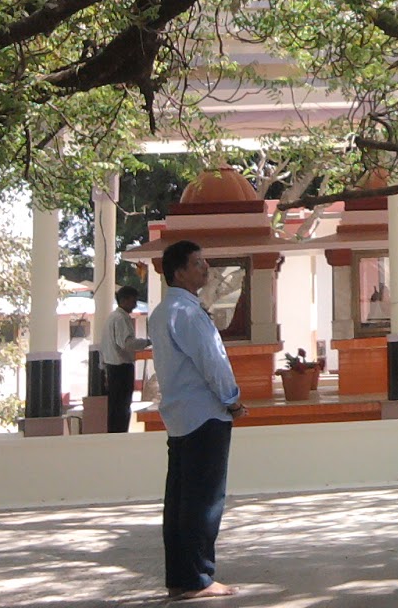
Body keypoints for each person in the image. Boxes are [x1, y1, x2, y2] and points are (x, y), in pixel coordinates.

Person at [148, 240, 248, 600]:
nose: (205, 268)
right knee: (203, 500)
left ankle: (180, 577)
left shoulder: (162, 313)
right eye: (197, 263)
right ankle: (198, 579)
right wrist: (232, 401)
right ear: (178, 272)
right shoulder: (188, 313)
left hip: (179, 417)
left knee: (179, 500)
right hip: (205, 414)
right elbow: (212, 361)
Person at [98, 284, 147, 434]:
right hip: (121, 368)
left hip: (112, 367)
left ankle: (116, 435)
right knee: (122, 406)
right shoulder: (120, 318)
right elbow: (127, 343)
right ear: (124, 300)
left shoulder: (113, 317)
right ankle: (119, 435)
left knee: (116, 407)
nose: (135, 304)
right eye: (133, 300)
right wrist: (148, 342)